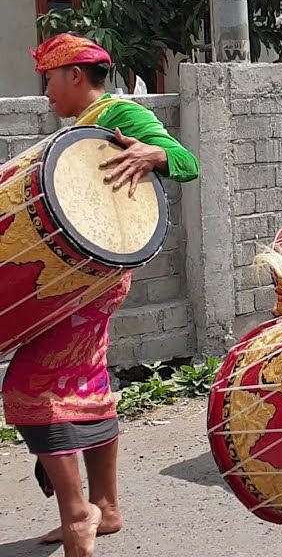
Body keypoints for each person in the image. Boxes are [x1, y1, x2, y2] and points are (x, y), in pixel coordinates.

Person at [4, 33, 199, 557]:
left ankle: (78, 515)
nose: (45, 92)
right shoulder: (79, 128)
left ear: (73, 75)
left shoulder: (118, 114)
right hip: (82, 273)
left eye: (48, 80)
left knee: (30, 386)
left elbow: (186, 159)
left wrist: (156, 152)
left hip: (87, 277)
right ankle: (107, 507)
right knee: (86, 376)